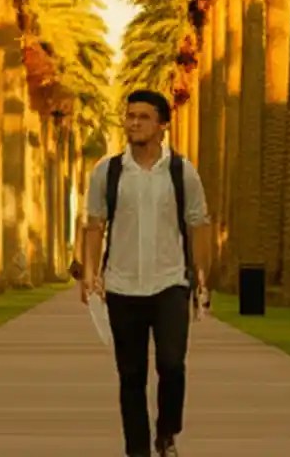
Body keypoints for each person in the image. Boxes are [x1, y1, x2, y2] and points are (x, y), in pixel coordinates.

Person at [81, 89, 211, 457]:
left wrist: (202, 276)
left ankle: (167, 431)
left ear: (162, 126)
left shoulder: (181, 171)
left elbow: (198, 223)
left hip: (170, 282)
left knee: (172, 366)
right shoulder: (109, 171)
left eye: (143, 117)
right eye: (130, 116)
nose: (134, 123)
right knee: (131, 376)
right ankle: (136, 450)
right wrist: (89, 275)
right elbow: (94, 224)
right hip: (122, 285)